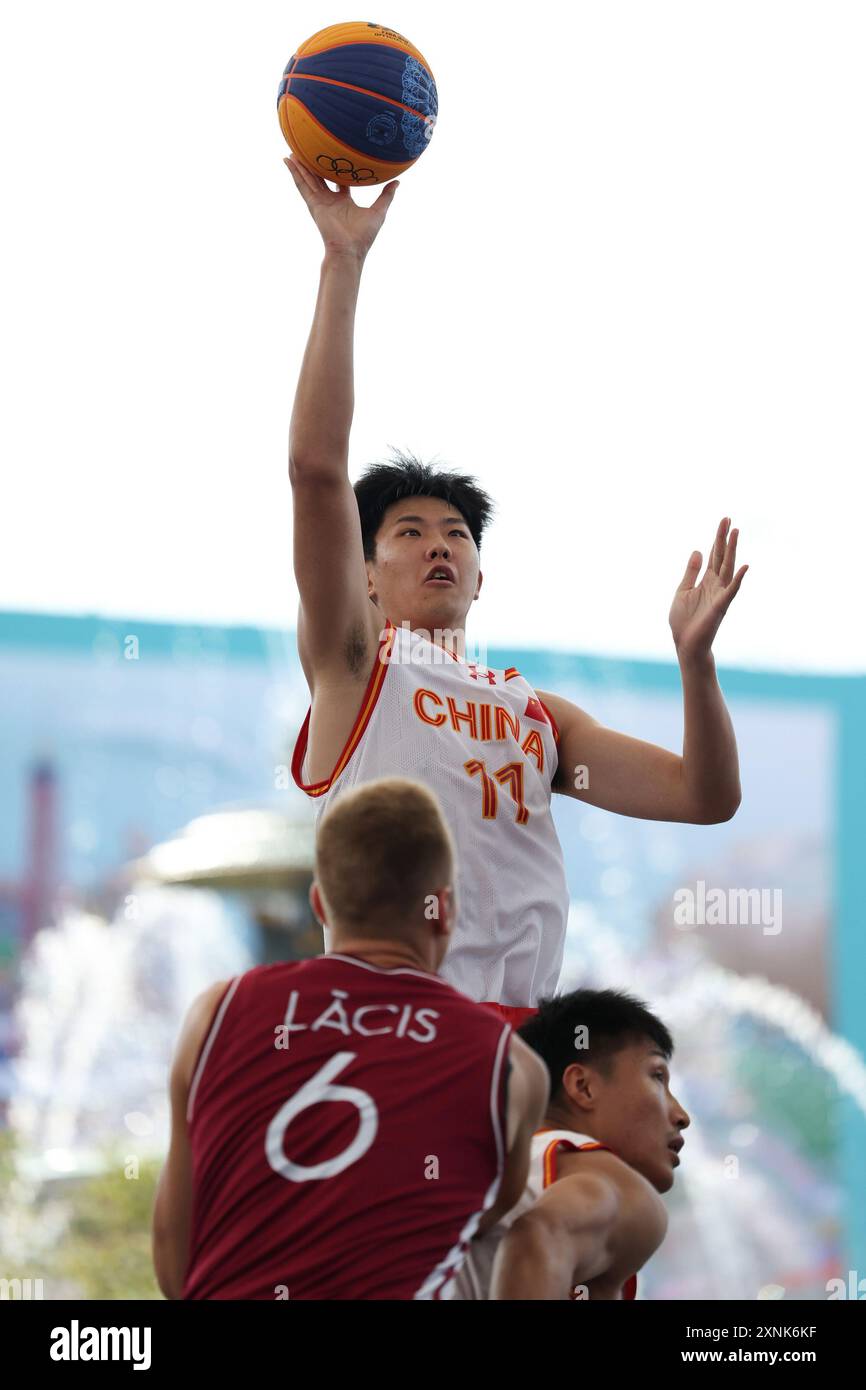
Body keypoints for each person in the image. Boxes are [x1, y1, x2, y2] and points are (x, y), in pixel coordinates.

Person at [284, 154, 748, 1026]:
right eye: (409, 534)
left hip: (516, 1043)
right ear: (366, 577)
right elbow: (315, 472)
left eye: (456, 534)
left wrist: (696, 664)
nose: (439, 548)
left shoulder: (538, 716)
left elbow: (705, 797)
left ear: (480, 576)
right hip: (395, 1021)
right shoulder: (356, 671)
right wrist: (342, 262)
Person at [151, 777, 549, 1300]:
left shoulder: (215, 1014)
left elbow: (172, 1240)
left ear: (319, 903)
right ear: (444, 909)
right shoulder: (512, 1067)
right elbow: (480, 1214)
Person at [451, 988, 690, 1300]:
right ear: (583, 1086)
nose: (681, 1115)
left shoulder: (470, 1164)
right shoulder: (609, 1182)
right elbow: (536, 1239)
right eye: (658, 1076)